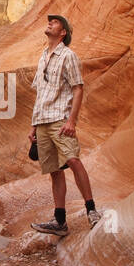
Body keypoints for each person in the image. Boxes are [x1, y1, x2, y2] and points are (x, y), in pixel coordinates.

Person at [28, 14, 101, 235]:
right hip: (42, 121)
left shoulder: (68, 55)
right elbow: (40, 93)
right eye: (50, 21)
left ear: (63, 33)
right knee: (55, 171)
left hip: (60, 118)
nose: (50, 22)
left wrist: (72, 120)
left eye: (56, 22)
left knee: (73, 160)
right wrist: (33, 125)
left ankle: (92, 211)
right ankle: (60, 221)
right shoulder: (42, 57)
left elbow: (78, 87)